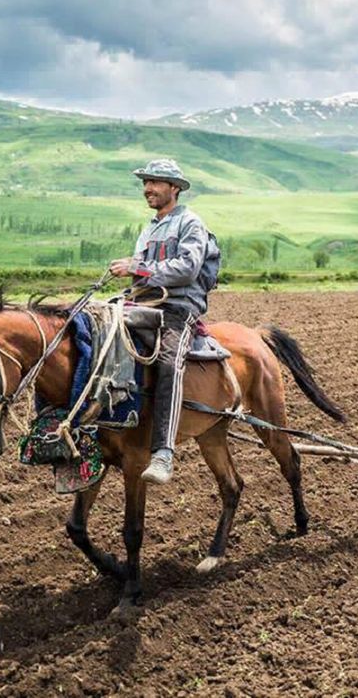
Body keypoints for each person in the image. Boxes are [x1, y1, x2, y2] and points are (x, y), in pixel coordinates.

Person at [109, 159, 221, 484]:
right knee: (98, 335)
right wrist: (131, 275)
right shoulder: (149, 229)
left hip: (177, 309)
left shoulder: (190, 223)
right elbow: (144, 272)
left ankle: (162, 453)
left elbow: (187, 268)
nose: (148, 188)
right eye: (145, 182)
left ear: (174, 188)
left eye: (155, 182)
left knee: (169, 363)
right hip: (143, 303)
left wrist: (137, 268)